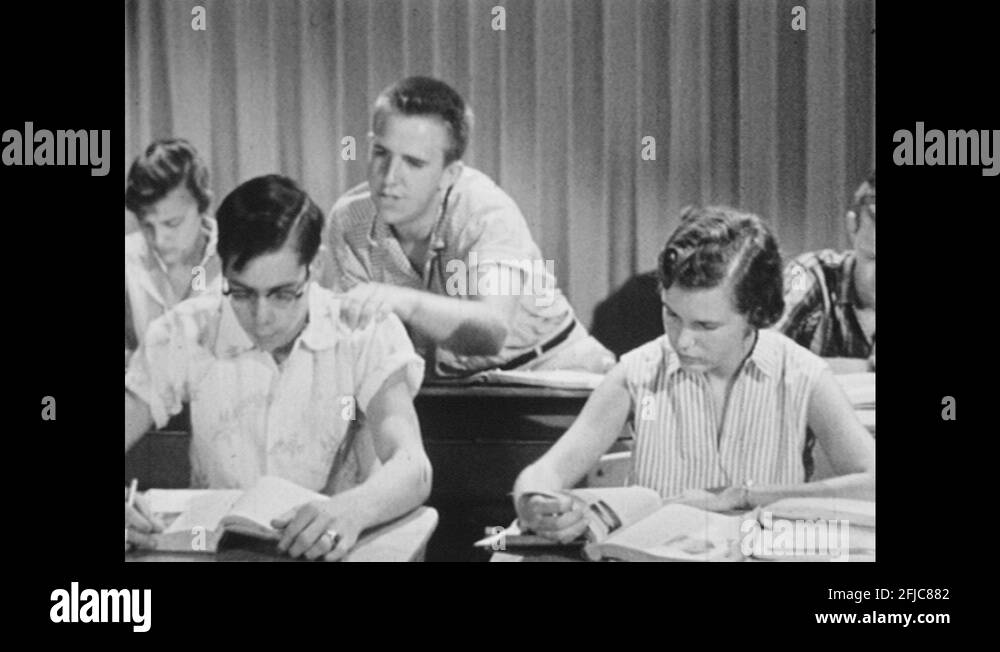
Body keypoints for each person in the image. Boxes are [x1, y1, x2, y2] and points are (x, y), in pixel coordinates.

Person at [512, 206, 875, 542]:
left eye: (705, 325)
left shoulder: (802, 375)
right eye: (672, 315)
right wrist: (534, 503)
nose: (683, 341)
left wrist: (746, 496)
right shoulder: (637, 372)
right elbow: (544, 474)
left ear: (757, 313)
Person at [124, 175, 431, 561]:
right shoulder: (185, 330)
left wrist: (350, 510)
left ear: (314, 266)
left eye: (283, 294)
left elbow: (413, 466)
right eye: (242, 293)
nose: (262, 317)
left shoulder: (363, 330)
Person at [320, 75, 614, 377]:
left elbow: (491, 331)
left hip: (551, 369)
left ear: (450, 174)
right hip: (449, 388)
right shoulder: (349, 220)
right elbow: (363, 341)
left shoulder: (485, 210)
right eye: (381, 153)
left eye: (414, 163)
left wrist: (399, 300)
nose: (389, 177)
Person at [125, 138, 222, 366]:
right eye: (147, 226)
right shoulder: (128, 259)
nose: (159, 240)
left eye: (172, 223)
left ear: (202, 205)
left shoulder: (238, 254)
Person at [775, 172, 876, 372]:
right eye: (873, 258)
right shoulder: (803, 272)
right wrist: (869, 368)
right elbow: (761, 354)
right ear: (852, 225)